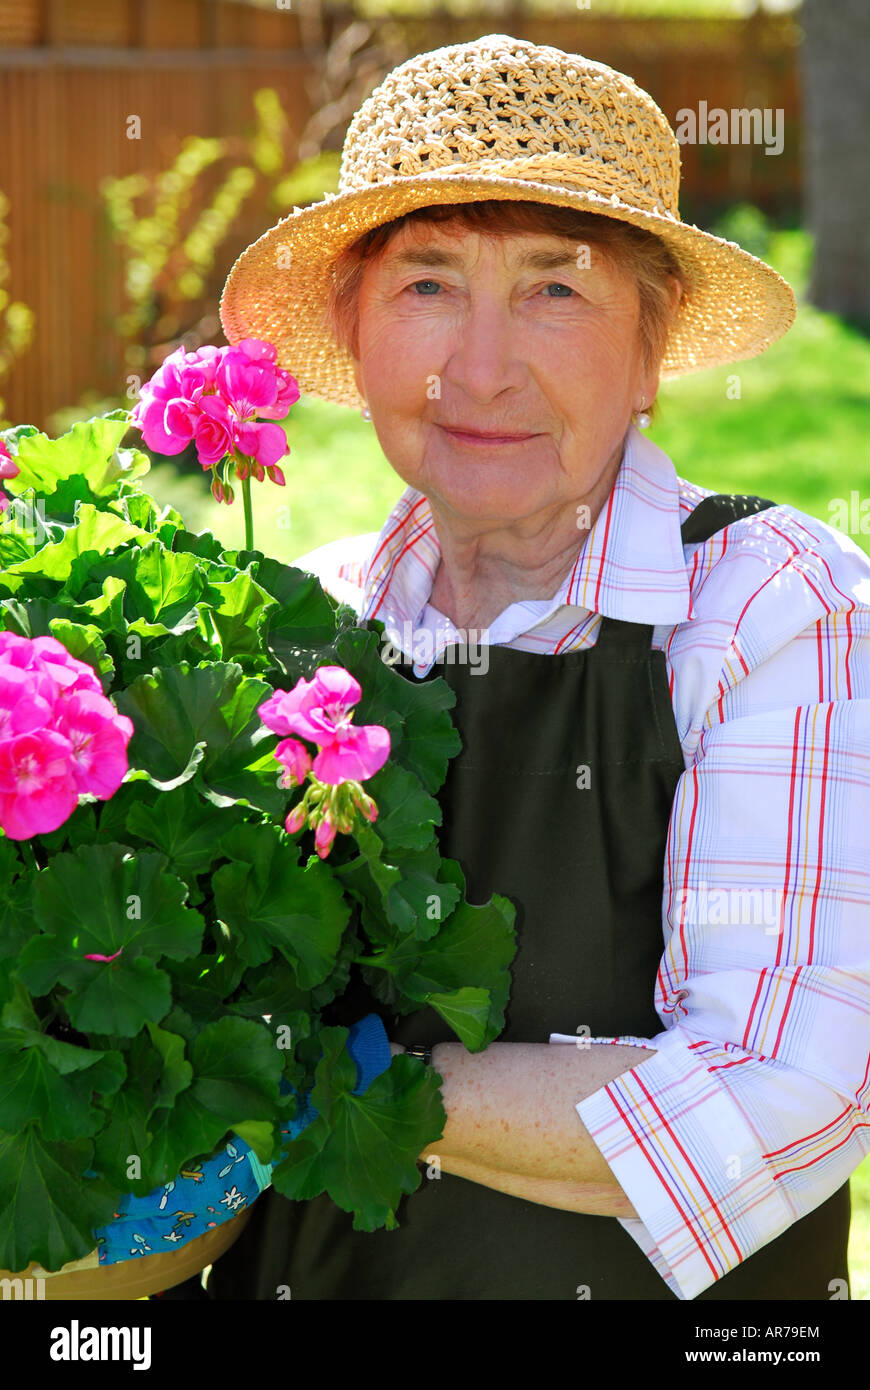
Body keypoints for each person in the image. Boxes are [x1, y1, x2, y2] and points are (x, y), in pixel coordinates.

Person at [209, 34, 870, 1300]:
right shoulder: (294, 623)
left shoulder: (765, 604)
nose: (485, 366)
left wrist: (344, 1078)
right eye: (429, 284)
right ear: (355, 322)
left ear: (653, 348)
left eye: (556, 289)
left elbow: (782, 1089)